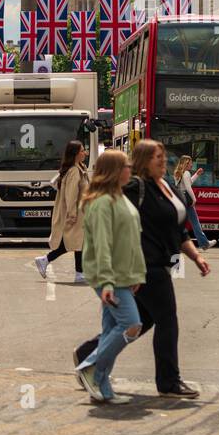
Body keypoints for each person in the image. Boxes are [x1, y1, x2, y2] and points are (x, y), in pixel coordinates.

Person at [73, 140, 211, 398]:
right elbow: (106, 224)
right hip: (146, 266)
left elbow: (177, 228)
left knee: (141, 321)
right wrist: (109, 276)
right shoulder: (136, 187)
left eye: (163, 156)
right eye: (156, 157)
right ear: (142, 161)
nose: (162, 161)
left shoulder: (167, 185)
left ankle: (90, 357)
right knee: (163, 319)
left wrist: (195, 256)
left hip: (149, 265)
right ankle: (167, 381)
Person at [73, 149, 145, 403]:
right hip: (110, 277)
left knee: (111, 328)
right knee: (132, 325)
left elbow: (130, 239)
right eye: (126, 165)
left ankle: (102, 388)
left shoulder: (118, 197)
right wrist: (106, 282)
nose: (130, 170)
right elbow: (103, 245)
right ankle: (91, 367)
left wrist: (135, 274)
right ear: (115, 171)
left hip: (123, 275)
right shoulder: (102, 203)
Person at [36, 140, 89, 280]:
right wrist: (72, 214)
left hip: (81, 212)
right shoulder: (74, 171)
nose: (85, 152)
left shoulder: (79, 168)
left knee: (79, 242)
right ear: (76, 154)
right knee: (72, 242)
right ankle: (45, 260)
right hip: (75, 212)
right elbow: (71, 194)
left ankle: (79, 273)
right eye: (82, 150)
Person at [172, 155, 211, 251]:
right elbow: (188, 187)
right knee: (195, 222)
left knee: (179, 222)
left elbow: (188, 183)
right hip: (186, 199)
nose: (191, 165)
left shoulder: (178, 173)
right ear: (186, 163)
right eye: (190, 163)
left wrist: (197, 174)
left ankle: (174, 243)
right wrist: (194, 199)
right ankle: (204, 243)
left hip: (179, 198)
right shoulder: (186, 173)